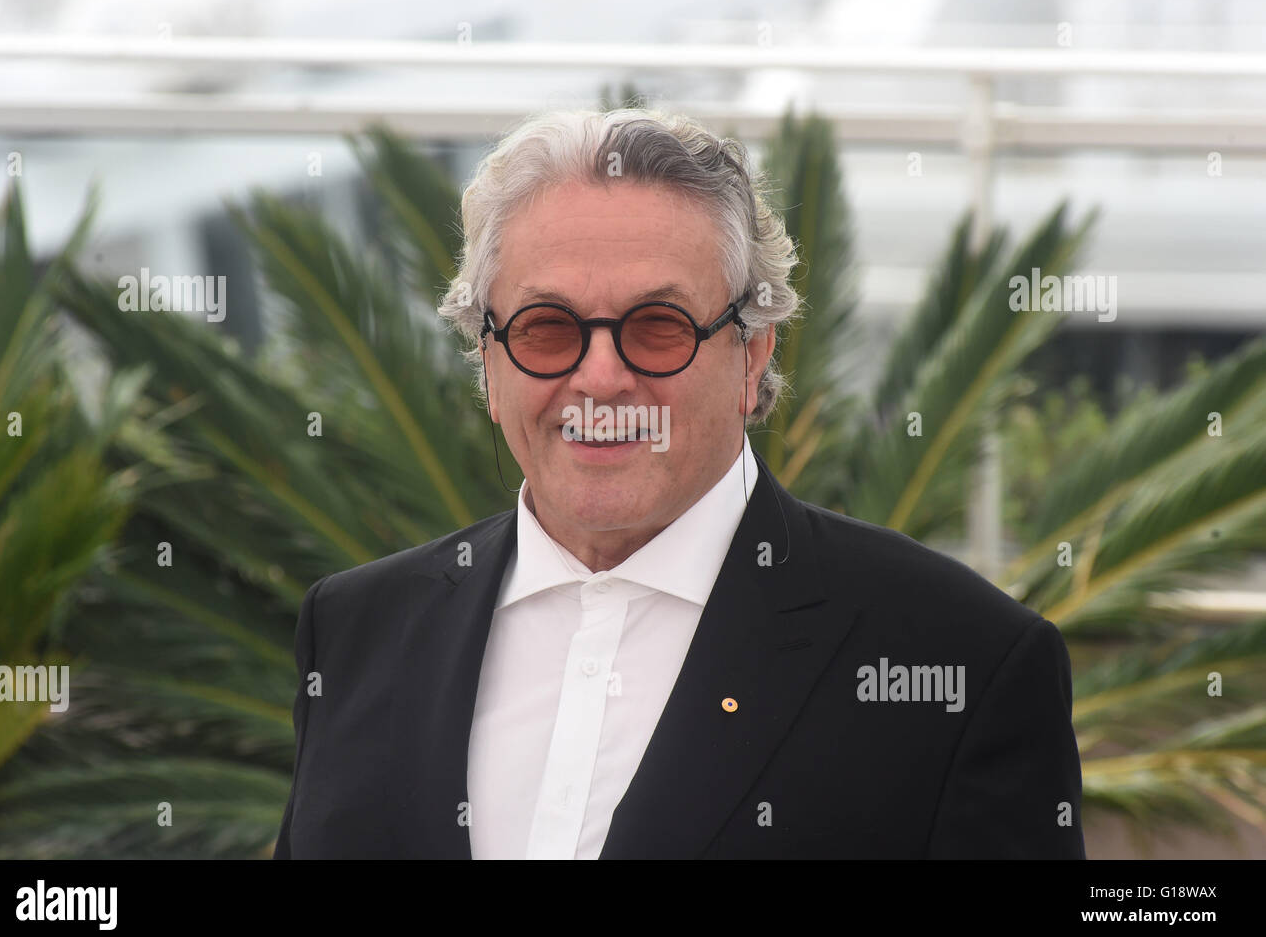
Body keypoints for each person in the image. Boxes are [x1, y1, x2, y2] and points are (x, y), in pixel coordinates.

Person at [273, 107, 1085, 859]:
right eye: (547, 328)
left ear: (755, 353)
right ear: (488, 361)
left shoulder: (963, 662)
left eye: (656, 327)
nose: (600, 378)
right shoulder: (353, 630)